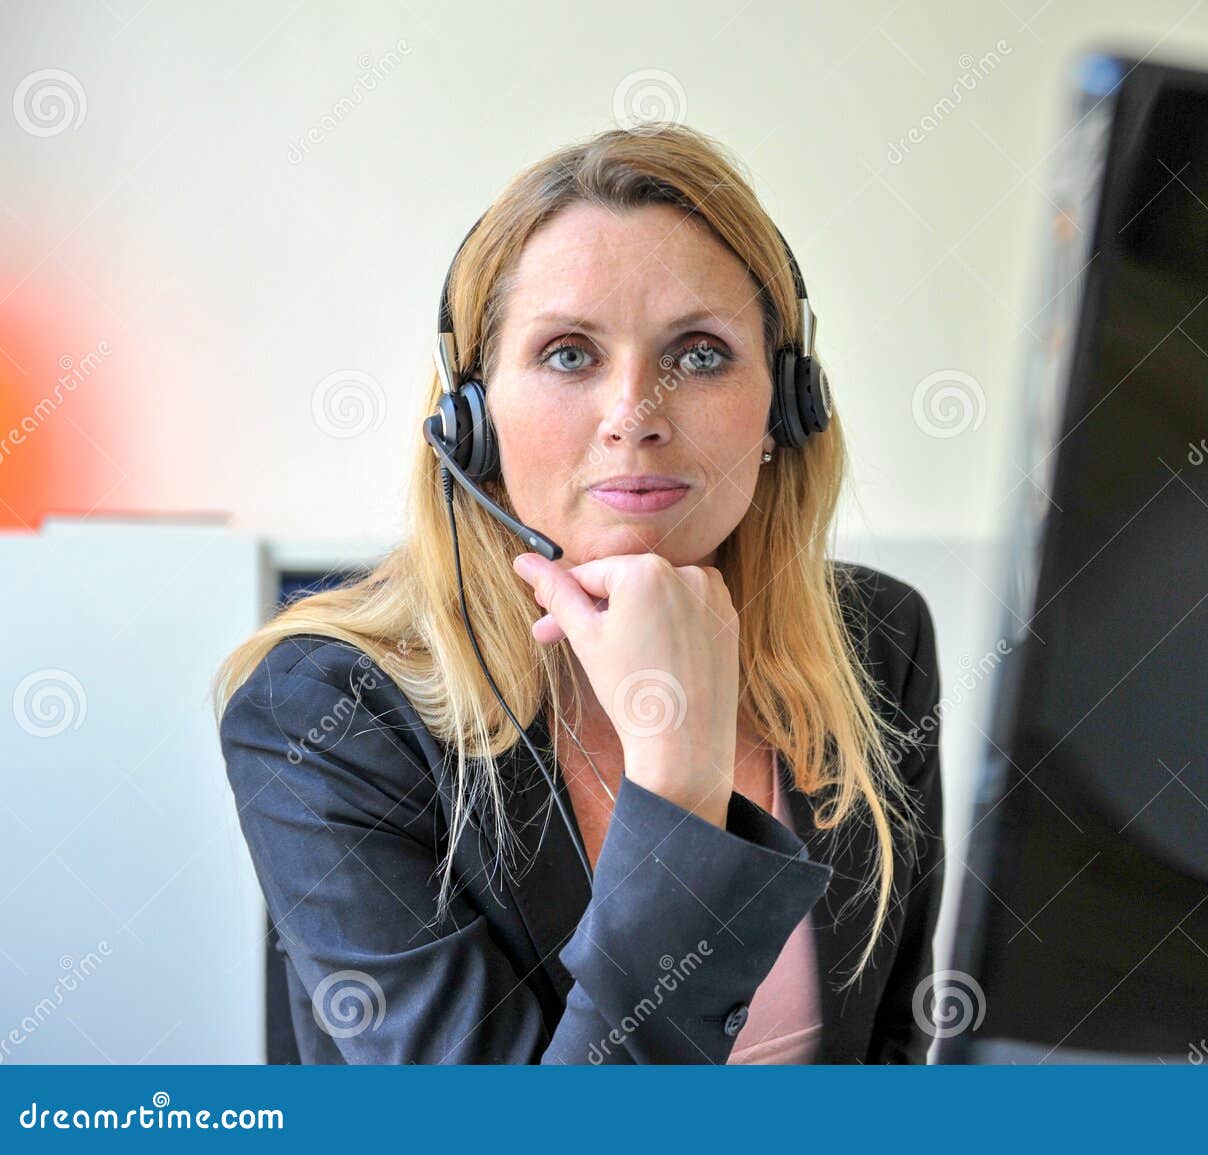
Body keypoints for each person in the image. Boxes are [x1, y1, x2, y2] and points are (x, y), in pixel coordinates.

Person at [213, 123, 944, 1064]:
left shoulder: (876, 642)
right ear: (469, 421)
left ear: (787, 404)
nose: (634, 415)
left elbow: (892, 1051)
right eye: (568, 354)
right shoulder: (321, 713)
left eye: (702, 353)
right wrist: (677, 781)